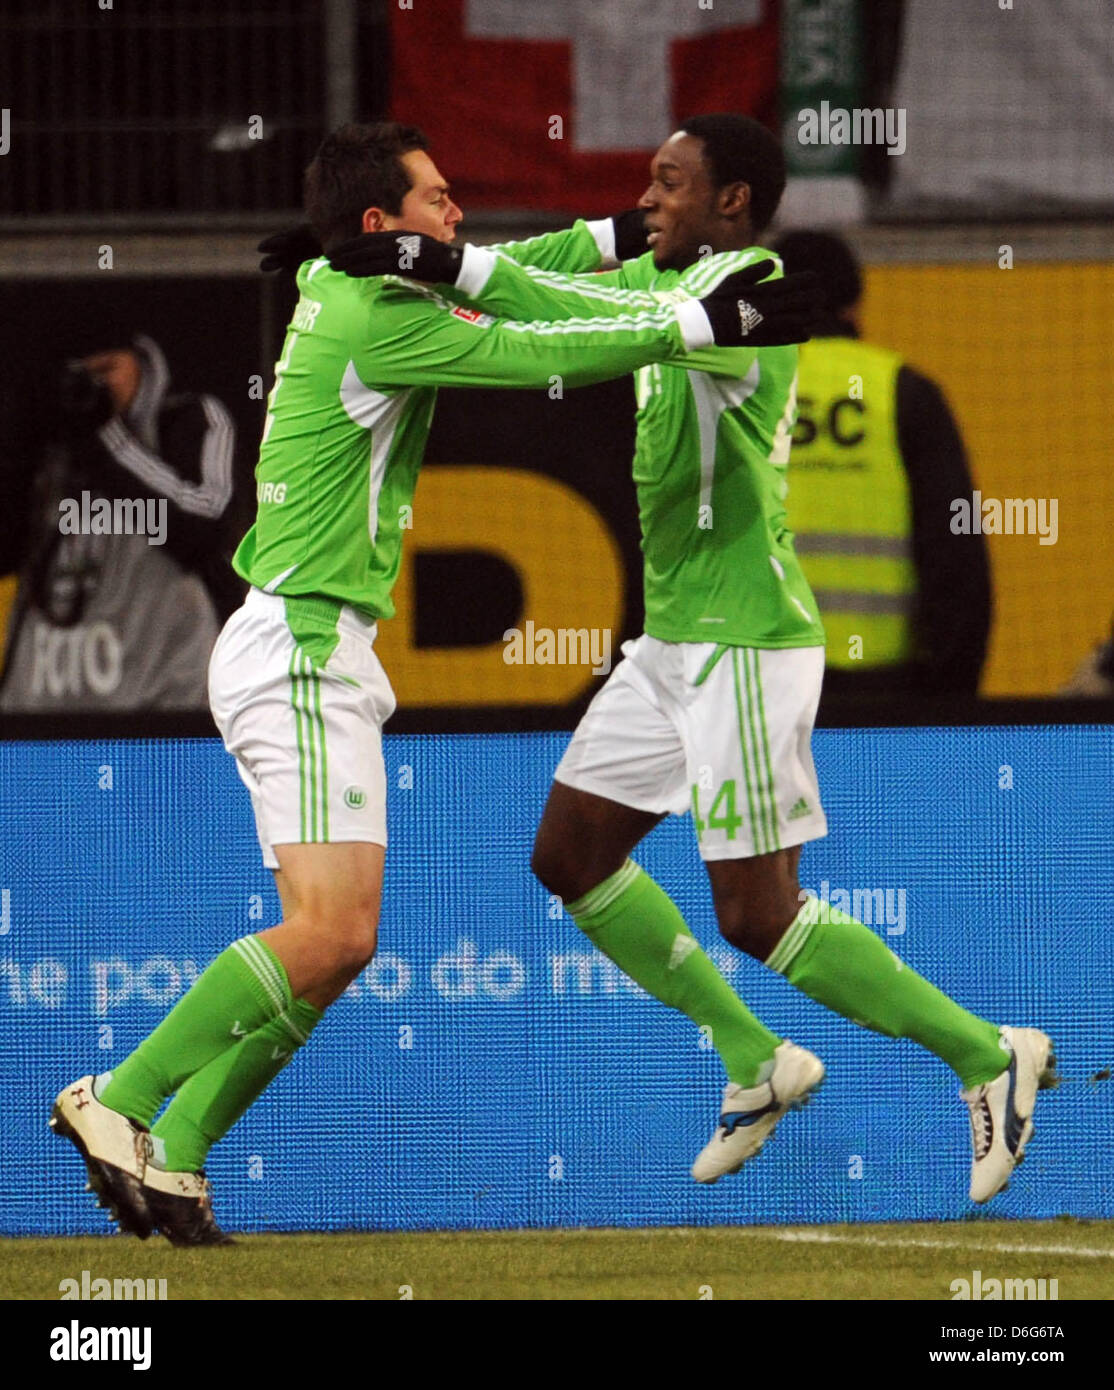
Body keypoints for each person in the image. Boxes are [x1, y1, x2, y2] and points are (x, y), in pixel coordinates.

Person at [49, 121, 822, 1244]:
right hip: (300, 651)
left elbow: (530, 272)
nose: (459, 217)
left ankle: (176, 1158)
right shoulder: (385, 319)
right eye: (439, 199)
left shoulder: (343, 275)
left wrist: (610, 240)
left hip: (310, 646)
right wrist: (701, 319)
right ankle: (117, 1103)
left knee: (333, 942)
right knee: (328, 935)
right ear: (382, 230)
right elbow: (540, 349)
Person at [342, 113, 1056, 1204]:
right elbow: (561, 281)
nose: (647, 201)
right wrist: (410, 257)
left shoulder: (749, 284)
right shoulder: (687, 276)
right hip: (671, 642)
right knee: (568, 855)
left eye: (669, 184)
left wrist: (432, 257)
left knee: (756, 912)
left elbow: (571, 306)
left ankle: (985, 1053)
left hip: (744, 641)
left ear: (730, 201)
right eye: (645, 181)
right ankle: (755, 1060)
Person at [772, 229, 991, 697]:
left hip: (753, 690)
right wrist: (949, 700)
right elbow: (957, 558)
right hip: (882, 694)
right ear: (853, 304)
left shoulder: (737, 390)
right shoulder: (904, 392)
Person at [0, 327, 240, 712]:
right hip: (43, 709)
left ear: (141, 363)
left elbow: (204, 529)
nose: (94, 385)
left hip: (164, 708)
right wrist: (16, 446)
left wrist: (107, 440)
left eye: (107, 369)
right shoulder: (50, 444)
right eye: (81, 375)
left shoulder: (183, 421)